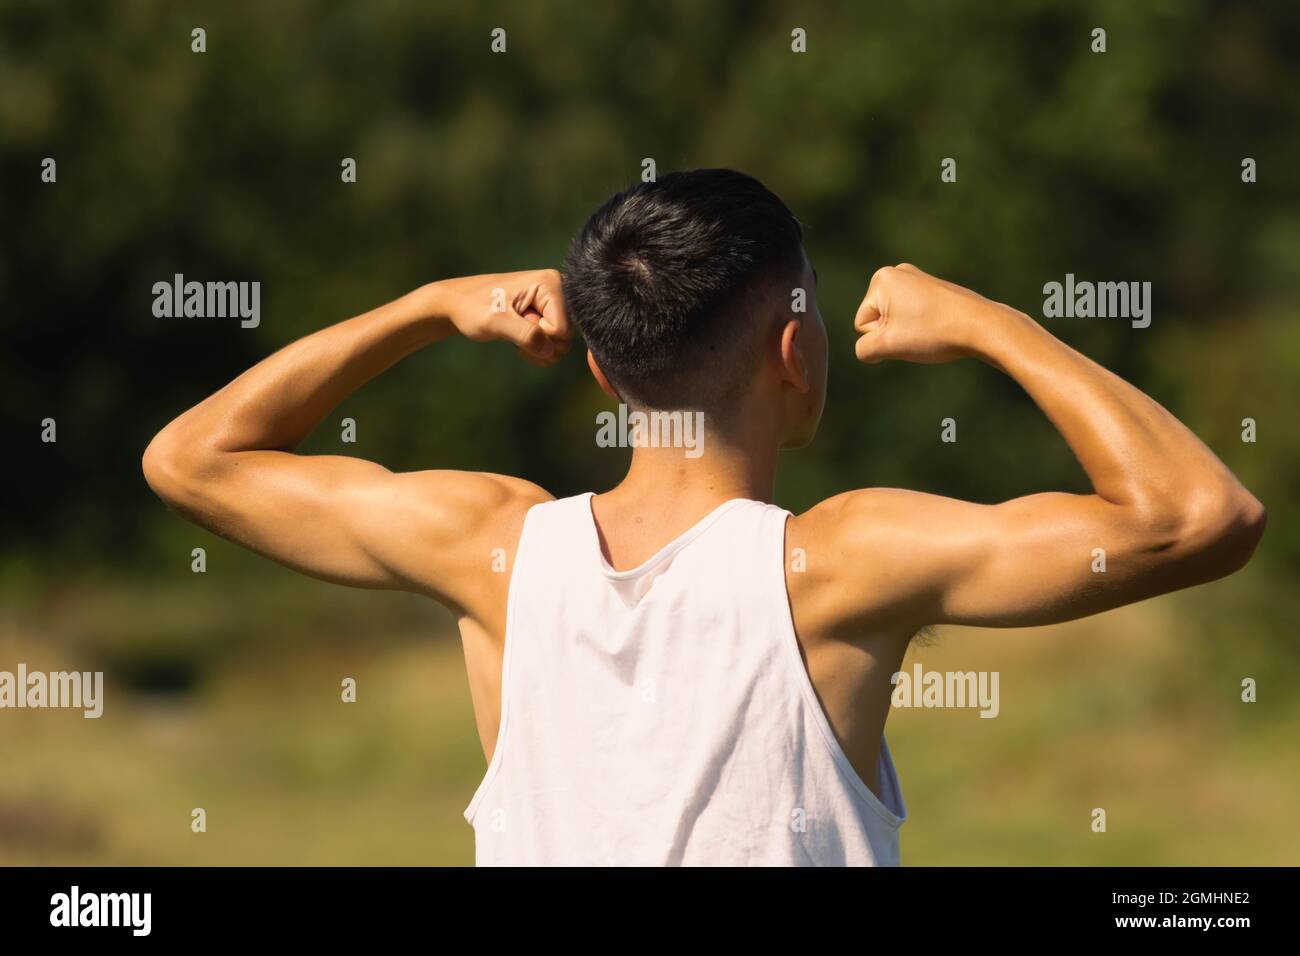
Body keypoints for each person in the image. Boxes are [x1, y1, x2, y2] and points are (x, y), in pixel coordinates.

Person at [143, 169, 1266, 865]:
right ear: (791, 348)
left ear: (600, 371)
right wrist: (991, 323)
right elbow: (1196, 512)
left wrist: (431, 308)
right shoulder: (838, 565)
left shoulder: (489, 548)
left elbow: (193, 459)